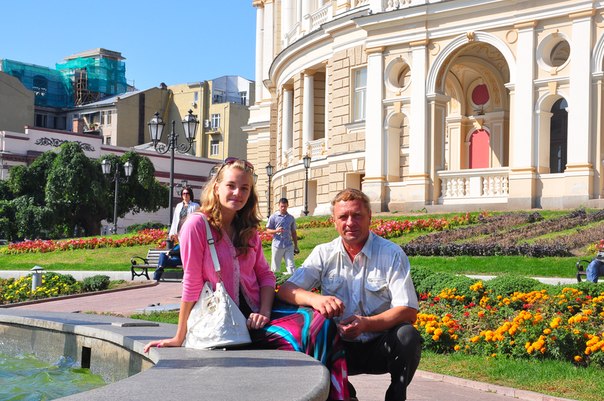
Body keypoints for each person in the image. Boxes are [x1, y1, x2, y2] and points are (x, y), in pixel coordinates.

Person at [144, 157, 349, 400]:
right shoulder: (197, 225)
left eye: (244, 188)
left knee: (321, 323)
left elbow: (265, 275)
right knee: (304, 335)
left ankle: (339, 395)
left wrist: (264, 311)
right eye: (231, 185)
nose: (237, 193)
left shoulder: (247, 229)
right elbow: (191, 281)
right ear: (216, 187)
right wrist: (179, 336)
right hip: (227, 321)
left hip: (258, 315)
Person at [277, 188, 422, 401]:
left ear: (369, 217)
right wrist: (315, 299)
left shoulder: (391, 253)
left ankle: (396, 394)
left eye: (357, 215)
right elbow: (286, 290)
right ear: (334, 221)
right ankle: (345, 393)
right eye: (343, 217)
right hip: (338, 349)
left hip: (379, 346)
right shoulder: (323, 253)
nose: (350, 222)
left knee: (408, 336)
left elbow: (408, 310)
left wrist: (366, 324)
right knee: (307, 328)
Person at [265, 197, 299, 274]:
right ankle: (275, 281)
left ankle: (292, 281)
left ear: (287, 206)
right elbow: (267, 230)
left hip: (288, 245)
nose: (283, 208)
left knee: (291, 267)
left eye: (285, 206)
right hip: (277, 246)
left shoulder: (291, 218)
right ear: (278, 205)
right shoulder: (273, 217)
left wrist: (296, 246)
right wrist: (276, 231)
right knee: (275, 269)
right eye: (282, 206)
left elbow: (294, 232)